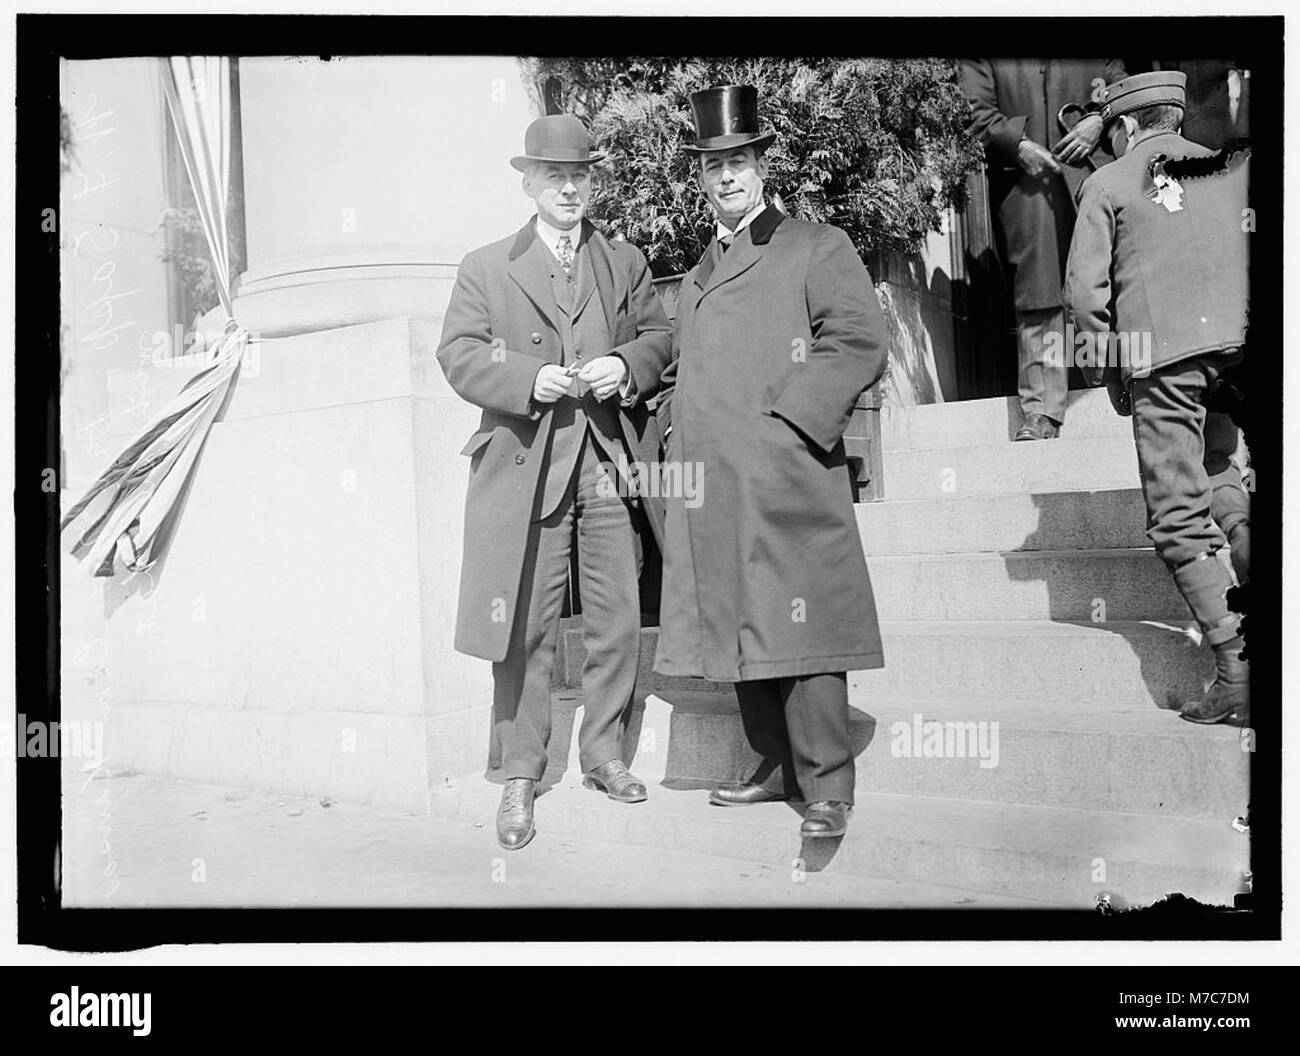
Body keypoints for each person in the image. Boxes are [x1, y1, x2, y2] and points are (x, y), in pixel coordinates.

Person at [654, 85, 889, 839]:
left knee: (804, 621)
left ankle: (825, 785)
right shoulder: (697, 272)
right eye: (713, 166)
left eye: (740, 162)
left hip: (786, 466)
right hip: (714, 481)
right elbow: (684, 367)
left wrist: (790, 426)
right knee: (739, 620)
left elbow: (857, 341)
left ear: (762, 166)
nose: (727, 177)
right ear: (700, 177)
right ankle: (775, 761)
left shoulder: (816, 245)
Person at [437, 115, 672, 849]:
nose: (569, 188)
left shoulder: (623, 259)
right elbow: (458, 353)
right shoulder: (485, 265)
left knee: (617, 617)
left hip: (604, 461)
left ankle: (604, 753)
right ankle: (520, 773)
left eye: (580, 176)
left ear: (592, 182)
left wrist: (627, 365)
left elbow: (660, 337)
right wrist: (526, 376)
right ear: (529, 183)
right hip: (526, 467)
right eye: (553, 176)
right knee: (524, 625)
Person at [1063, 70, 1251, 724]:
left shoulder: (1106, 184)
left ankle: (1237, 665)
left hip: (1161, 362)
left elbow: (1085, 302)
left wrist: (1113, 378)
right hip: (1237, 350)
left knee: (1177, 514)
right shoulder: (1229, 169)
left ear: (1122, 127)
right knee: (1220, 469)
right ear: (1171, 116)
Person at [959, 58, 1127, 440]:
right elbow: (973, 109)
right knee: (1038, 295)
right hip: (1028, 186)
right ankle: (1041, 411)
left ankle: (1116, 390)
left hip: (1096, 177)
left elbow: (1127, 88)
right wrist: (1016, 145)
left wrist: (1099, 119)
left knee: (1108, 286)